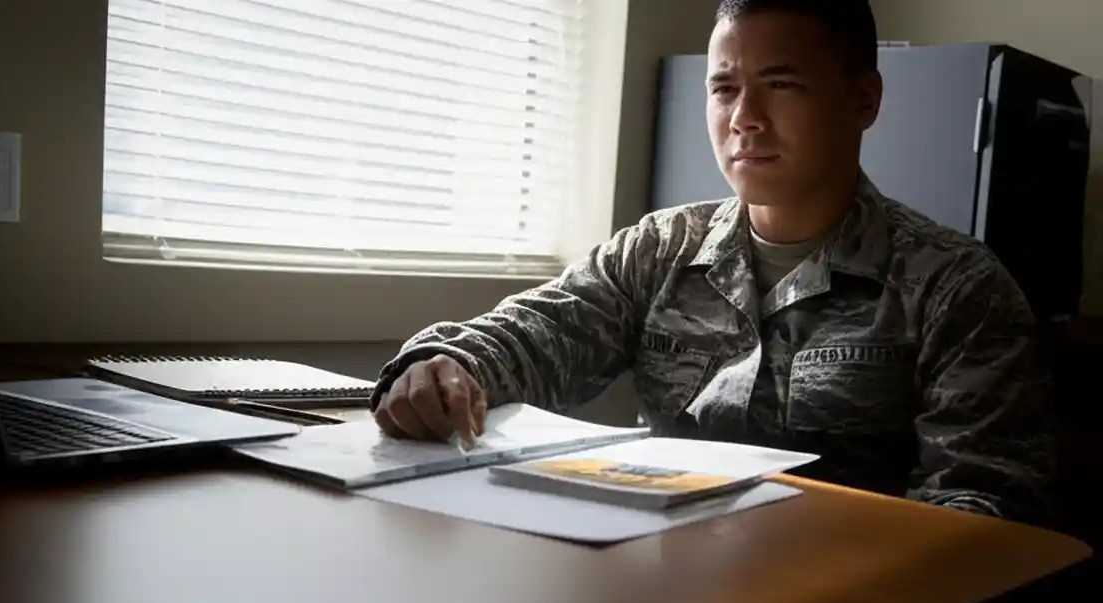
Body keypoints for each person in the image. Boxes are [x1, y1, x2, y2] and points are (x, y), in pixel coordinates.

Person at [371, 0, 1052, 521]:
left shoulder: (955, 288)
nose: (745, 118)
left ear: (863, 100)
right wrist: (449, 366)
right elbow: (537, 333)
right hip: (661, 584)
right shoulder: (661, 248)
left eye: (781, 85)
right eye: (725, 88)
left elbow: (981, 507)